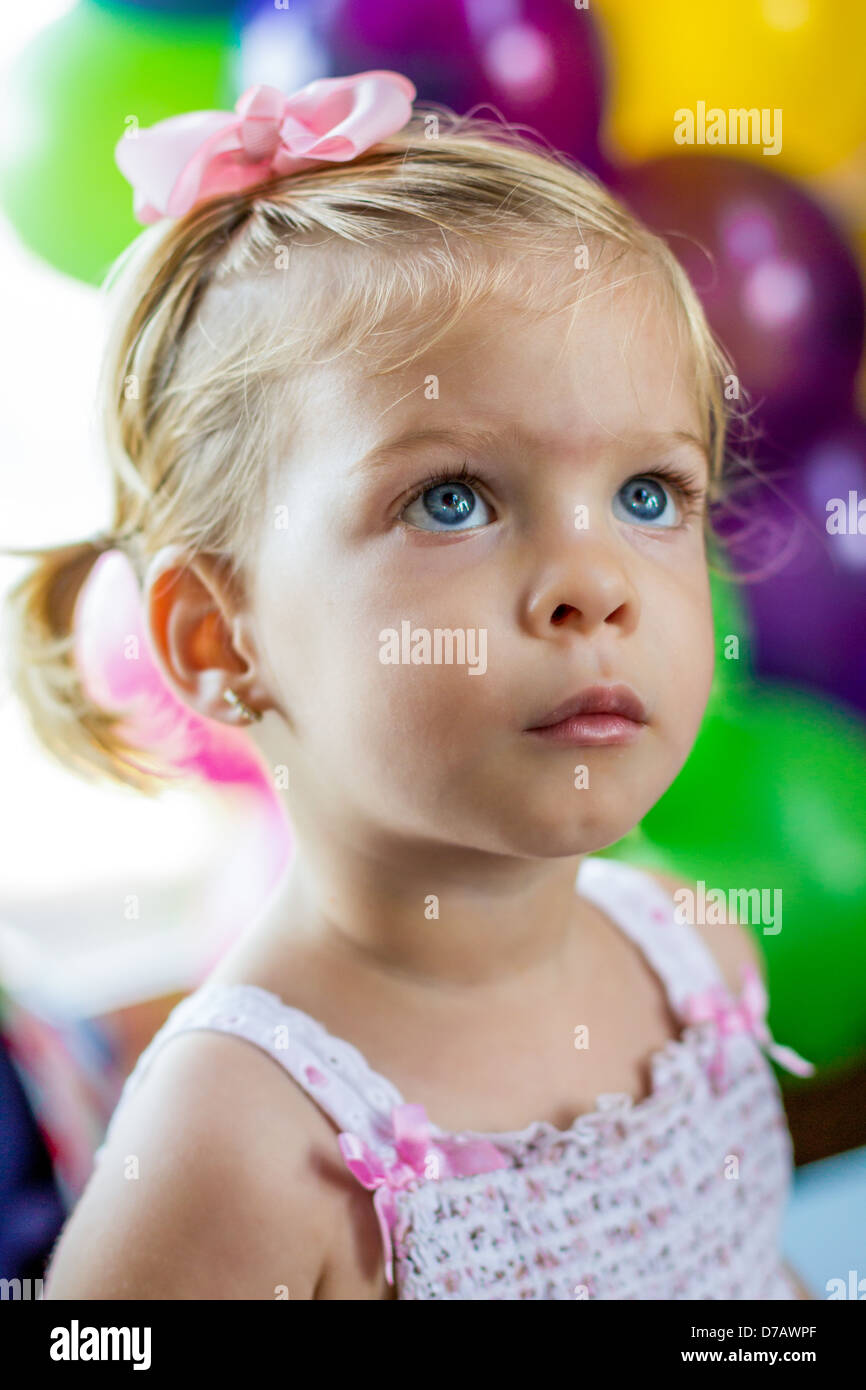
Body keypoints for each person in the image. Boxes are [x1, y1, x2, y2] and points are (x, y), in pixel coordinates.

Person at [6, 71, 814, 1299]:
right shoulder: (239, 1142)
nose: (593, 583)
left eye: (647, 494)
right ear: (221, 639)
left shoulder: (694, 953)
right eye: (452, 499)